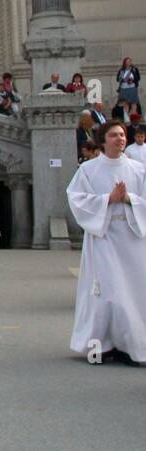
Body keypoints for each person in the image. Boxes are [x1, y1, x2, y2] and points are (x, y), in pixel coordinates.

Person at [67, 121, 145, 366]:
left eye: (122, 134)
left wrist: (129, 198)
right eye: (113, 135)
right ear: (102, 141)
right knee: (108, 292)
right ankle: (101, 345)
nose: (120, 139)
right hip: (103, 237)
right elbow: (76, 199)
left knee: (133, 293)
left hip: (132, 237)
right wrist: (107, 200)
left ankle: (132, 346)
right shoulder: (89, 170)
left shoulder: (138, 169)